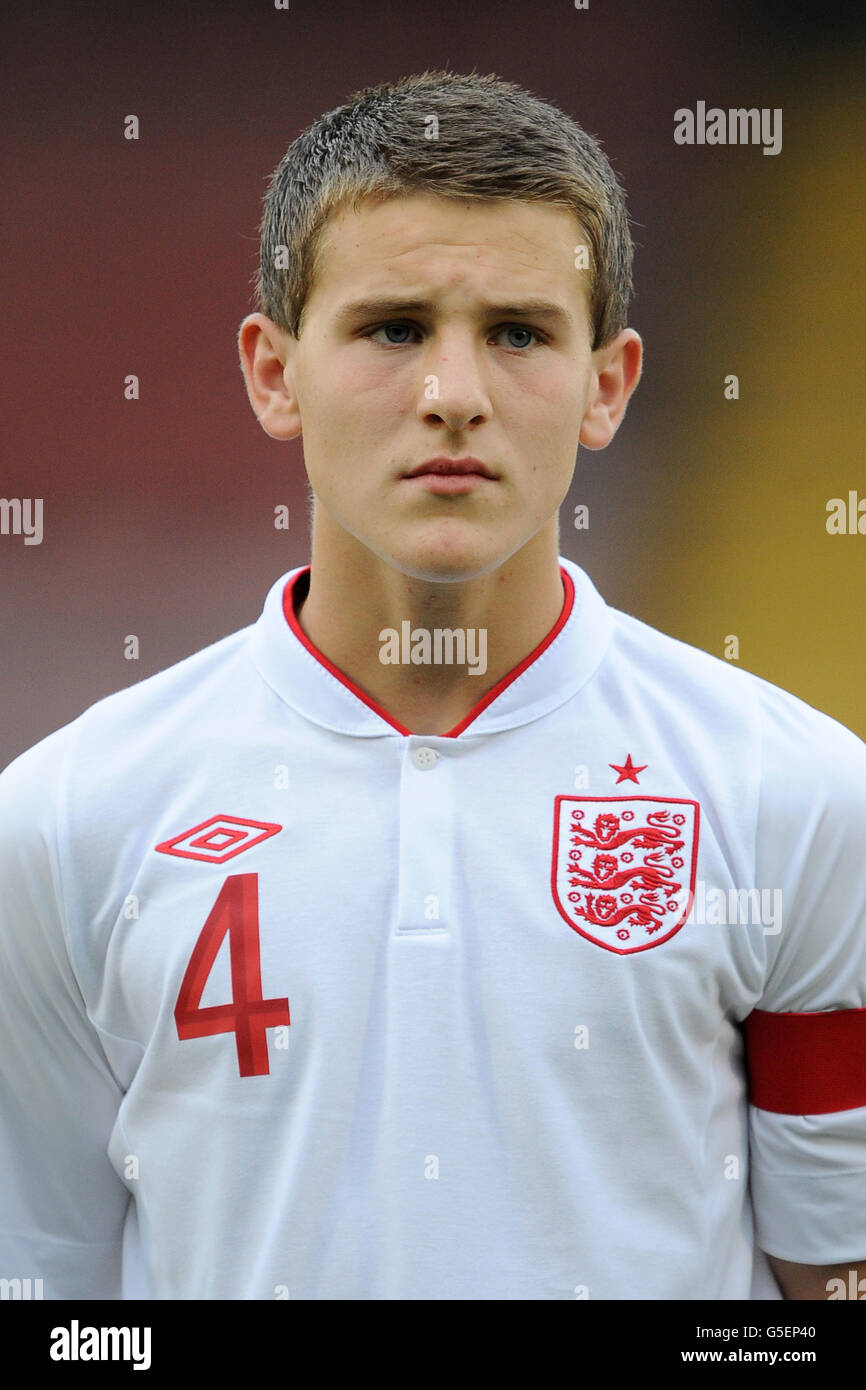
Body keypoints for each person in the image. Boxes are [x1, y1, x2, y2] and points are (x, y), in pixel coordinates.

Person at [1, 69, 864, 1302]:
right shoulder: (65, 816)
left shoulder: (801, 796)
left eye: (516, 332)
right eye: (393, 327)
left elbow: (831, 1285)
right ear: (272, 372)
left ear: (605, 385)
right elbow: (47, 1294)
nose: (452, 394)